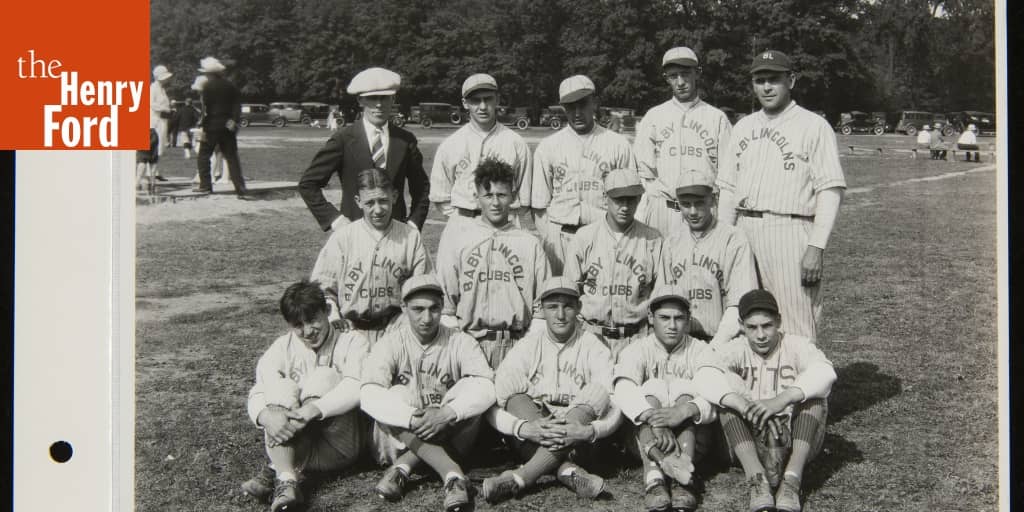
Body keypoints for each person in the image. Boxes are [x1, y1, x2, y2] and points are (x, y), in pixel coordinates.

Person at [716, 50, 846, 343]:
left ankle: (804, 374)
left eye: (773, 79)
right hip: (744, 230)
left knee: (795, 321)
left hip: (790, 228)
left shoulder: (813, 126)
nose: (766, 87)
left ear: (791, 80)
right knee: (744, 318)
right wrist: (723, 239)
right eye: (759, 80)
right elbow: (728, 189)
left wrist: (816, 246)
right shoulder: (743, 126)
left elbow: (830, 190)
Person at [360, 275, 495, 512]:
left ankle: (402, 469)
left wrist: (446, 414)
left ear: (442, 307)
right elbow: (368, 394)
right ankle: (452, 475)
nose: (427, 318)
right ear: (404, 308)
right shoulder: (390, 342)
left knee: (468, 389)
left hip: (450, 436)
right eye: (418, 309)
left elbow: (486, 386)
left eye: (434, 309)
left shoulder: (459, 340)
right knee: (396, 394)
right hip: (398, 445)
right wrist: (412, 418)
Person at [480, 276, 621, 503]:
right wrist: (525, 428)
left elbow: (614, 404)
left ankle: (520, 478)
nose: (560, 314)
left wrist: (590, 431)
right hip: (535, 431)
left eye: (568, 306)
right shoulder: (529, 344)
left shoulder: (594, 345)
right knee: (512, 390)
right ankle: (569, 472)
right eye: (553, 307)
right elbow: (496, 398)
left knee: (597, 393)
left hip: (578, 439)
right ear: (541, 309)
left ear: (579, 308)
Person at [695, 289, 836, 512]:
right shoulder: (735, 348)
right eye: (752, 327)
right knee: (726, 402)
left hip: (794, 438)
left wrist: (782, 399)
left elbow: (826, 372)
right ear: (741, 326)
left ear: (778, 321)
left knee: (815, 398)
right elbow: (703, 375)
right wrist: (742, 405)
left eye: (767, 325)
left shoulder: (796, 345)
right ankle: (757, 479)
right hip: (747, 440)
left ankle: (792, 480)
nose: (761, 335)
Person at [241, 280, 369, 512]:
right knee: (279, 387)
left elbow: (356, 386)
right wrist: (265, 416)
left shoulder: (352, 340)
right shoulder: (282, 347)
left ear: (327, 311)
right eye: (298, 325)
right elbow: (259, 389)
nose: (307, 331)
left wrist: (311, 410)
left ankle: (273, 470)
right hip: (296, 449)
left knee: (324, 376)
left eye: (312, 320)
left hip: (338, 447)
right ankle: (287, 480)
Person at [436, 157, 551, 368]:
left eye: (502, 195)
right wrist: (457, 345)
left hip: (517, 343)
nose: (495, 203)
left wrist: (528, 347)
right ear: (476, 197)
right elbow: (446, 304)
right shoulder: (458, 239)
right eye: (488, 195)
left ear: (513, 197)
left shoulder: (529, 243)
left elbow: (542, 307)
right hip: (469, 343)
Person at [612, 284, 718, 512]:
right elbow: (622, 389)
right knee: (652, 388)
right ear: (651, 318)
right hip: (645, 442)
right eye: (664, 318)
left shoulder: (700, 350)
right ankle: (654, 479)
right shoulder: (637, 349)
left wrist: (684, 410)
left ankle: (684, 480)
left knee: (684, 389)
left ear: (688, 319)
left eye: (679, 318)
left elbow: (715, 396)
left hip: (693, 441)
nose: (672, 325)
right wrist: (654, 419)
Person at [299, 67, 430, 232]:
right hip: (354, 232)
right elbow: (308, 184)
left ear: (393, 99)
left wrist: (413, 223)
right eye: (372, 98)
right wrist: (336, 220)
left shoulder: (405, 140)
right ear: (360, 100)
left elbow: (422, 188)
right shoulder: (343, 139)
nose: (379, 104)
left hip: (396, 234)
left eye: (385, 97)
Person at [310, 168, 431, 347]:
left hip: (397, 328)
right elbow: (322, 289)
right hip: (350, 328)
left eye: (383, 201)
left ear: (395, 197)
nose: (378, 209)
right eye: (370, 203)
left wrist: (409, 320)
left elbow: (425, 289)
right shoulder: (343, 238)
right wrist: (334, 317)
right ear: (358, 202)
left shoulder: (411, 237)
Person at [531, 75, 637, 275]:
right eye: (570, 107)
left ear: (594, 103)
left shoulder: (617, 144)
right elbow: (539, 205)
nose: (577, 112)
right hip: (561, 235)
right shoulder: (548, 147)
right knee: (562, 291)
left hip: (603, 234)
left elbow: (632, 197)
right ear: (563, 108)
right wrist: (549, 237)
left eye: (583, 104)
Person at [633, 47, 733, 237]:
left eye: (685, 74)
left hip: (704, 211)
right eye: (673, 76)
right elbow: (644, 175)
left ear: (697, 73)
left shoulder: (717, 118)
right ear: (666, 78)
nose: (680, 82)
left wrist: (725, 222)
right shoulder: (654, 116)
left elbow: (728, 178)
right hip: (663, 211)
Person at [563, 168, 662, 356]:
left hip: (637, 339)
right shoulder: (584, 237)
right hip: (591, 336)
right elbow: (570, 292)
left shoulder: (653, 239)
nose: (625, 207)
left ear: (639, 199)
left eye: (631, 199)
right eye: (618, 199)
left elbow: (660, 296)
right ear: (605, 197)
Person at [431, 73, 532, 250]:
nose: (483, 107)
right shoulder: (451, 144)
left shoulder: (516, 143)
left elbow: (524, 197)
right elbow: (440, 195)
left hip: (505, 227)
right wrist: (462, 218)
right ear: (465, 103)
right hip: (463, 225)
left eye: (488, 99)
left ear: (497, 99)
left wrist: (503, 217)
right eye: (476, 101)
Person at [659, 169, 757, 347]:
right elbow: (664, 302)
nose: (693, 211)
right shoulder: (671, 243)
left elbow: (739, 304)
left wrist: (714, 348)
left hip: (724, 342)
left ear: (712, 200)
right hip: (681, 344)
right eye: (686, 204)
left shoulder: (733, 239)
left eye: (699, 203)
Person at [194, 56, 248, 197]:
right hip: (228, 125)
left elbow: (206, 109)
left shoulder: (207, 87)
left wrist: (203, 126)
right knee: (231, 157)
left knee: (203, 155)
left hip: (212, 125)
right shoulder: (231, 86)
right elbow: (237, 105)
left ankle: (205, 185)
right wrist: (234, 120)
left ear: (210, 73)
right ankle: (240, 188)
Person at [149, 64, 173, 180]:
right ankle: (151, 172)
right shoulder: (152, 88)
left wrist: (169, 108)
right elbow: (151, 104)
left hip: (163, 120)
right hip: (155, 120)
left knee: (161, 146)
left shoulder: (162, 89)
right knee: (154, 145)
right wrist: (165, 109)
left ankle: (156, 171)